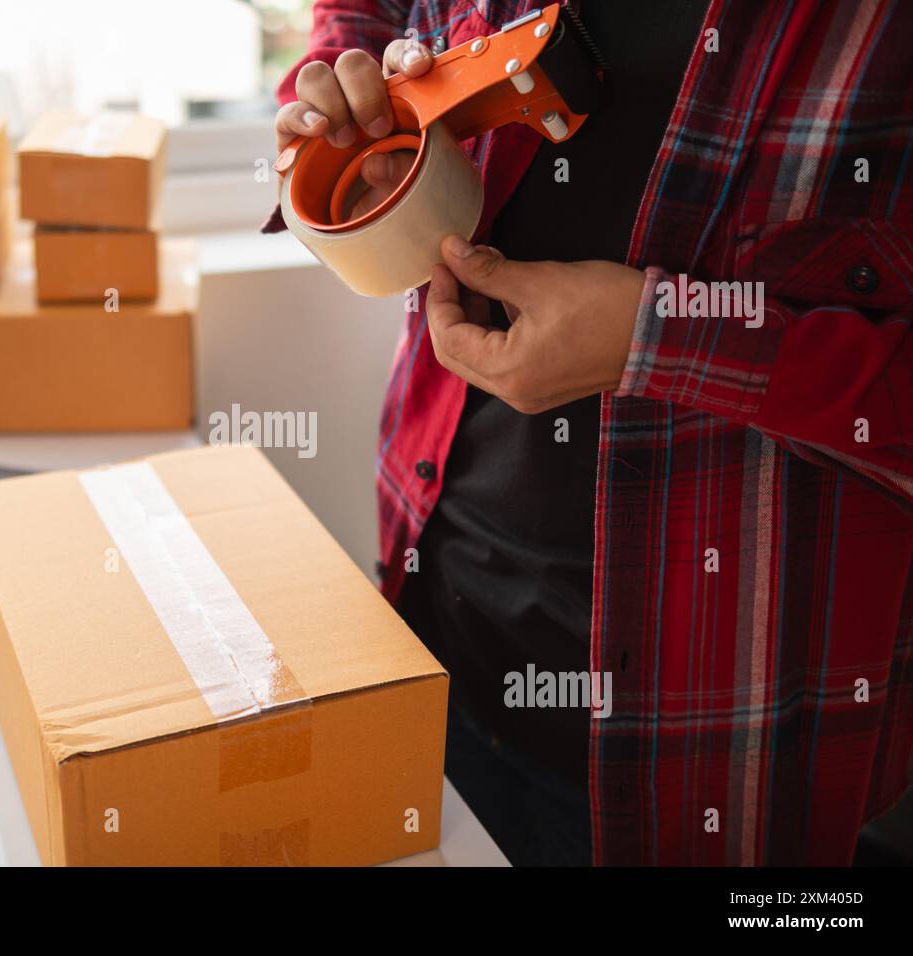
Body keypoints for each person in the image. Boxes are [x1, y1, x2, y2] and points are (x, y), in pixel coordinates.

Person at [267, 0, 913, 865]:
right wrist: (337, 98)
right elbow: (365, 14)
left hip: (725, 764)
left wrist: (668, 339)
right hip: (433, 639)